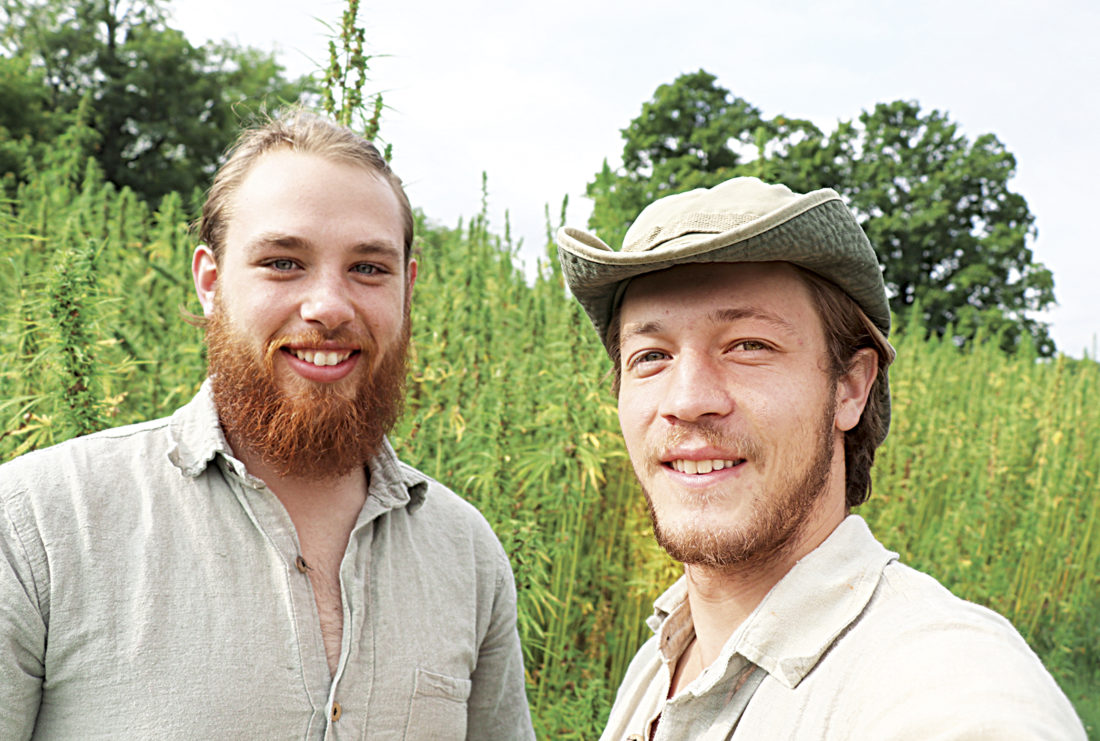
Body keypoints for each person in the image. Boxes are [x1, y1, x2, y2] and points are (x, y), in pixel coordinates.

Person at [0, 110, 534, 740]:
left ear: (408, 287)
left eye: (369, 268)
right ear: (210, 281)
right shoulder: (39, 525)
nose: (329, 307)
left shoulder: (466, 552)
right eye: (283, 262)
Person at [556, 177, 1086, 740]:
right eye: (651, 356)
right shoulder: (657, 665)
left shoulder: (945, 680)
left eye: (748, 346)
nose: (687, 400)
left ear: (849, 388)